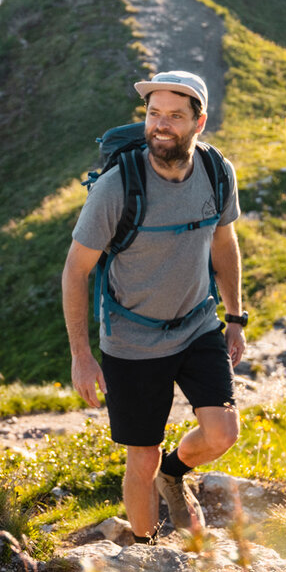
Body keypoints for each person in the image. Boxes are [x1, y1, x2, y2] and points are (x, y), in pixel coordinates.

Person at [61, 70, 245, 538]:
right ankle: (147, 553)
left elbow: (224, 244)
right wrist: (82, 357)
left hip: (197, 323)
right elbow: (75, 271)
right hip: (132, 340)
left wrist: (235, 317)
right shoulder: (117, 187)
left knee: (223, 432)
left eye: (175, 116)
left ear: (198, 122)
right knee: (141, 458)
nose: (161, 125)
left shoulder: (217, 172)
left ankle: (176, 472)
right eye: (153, 113)